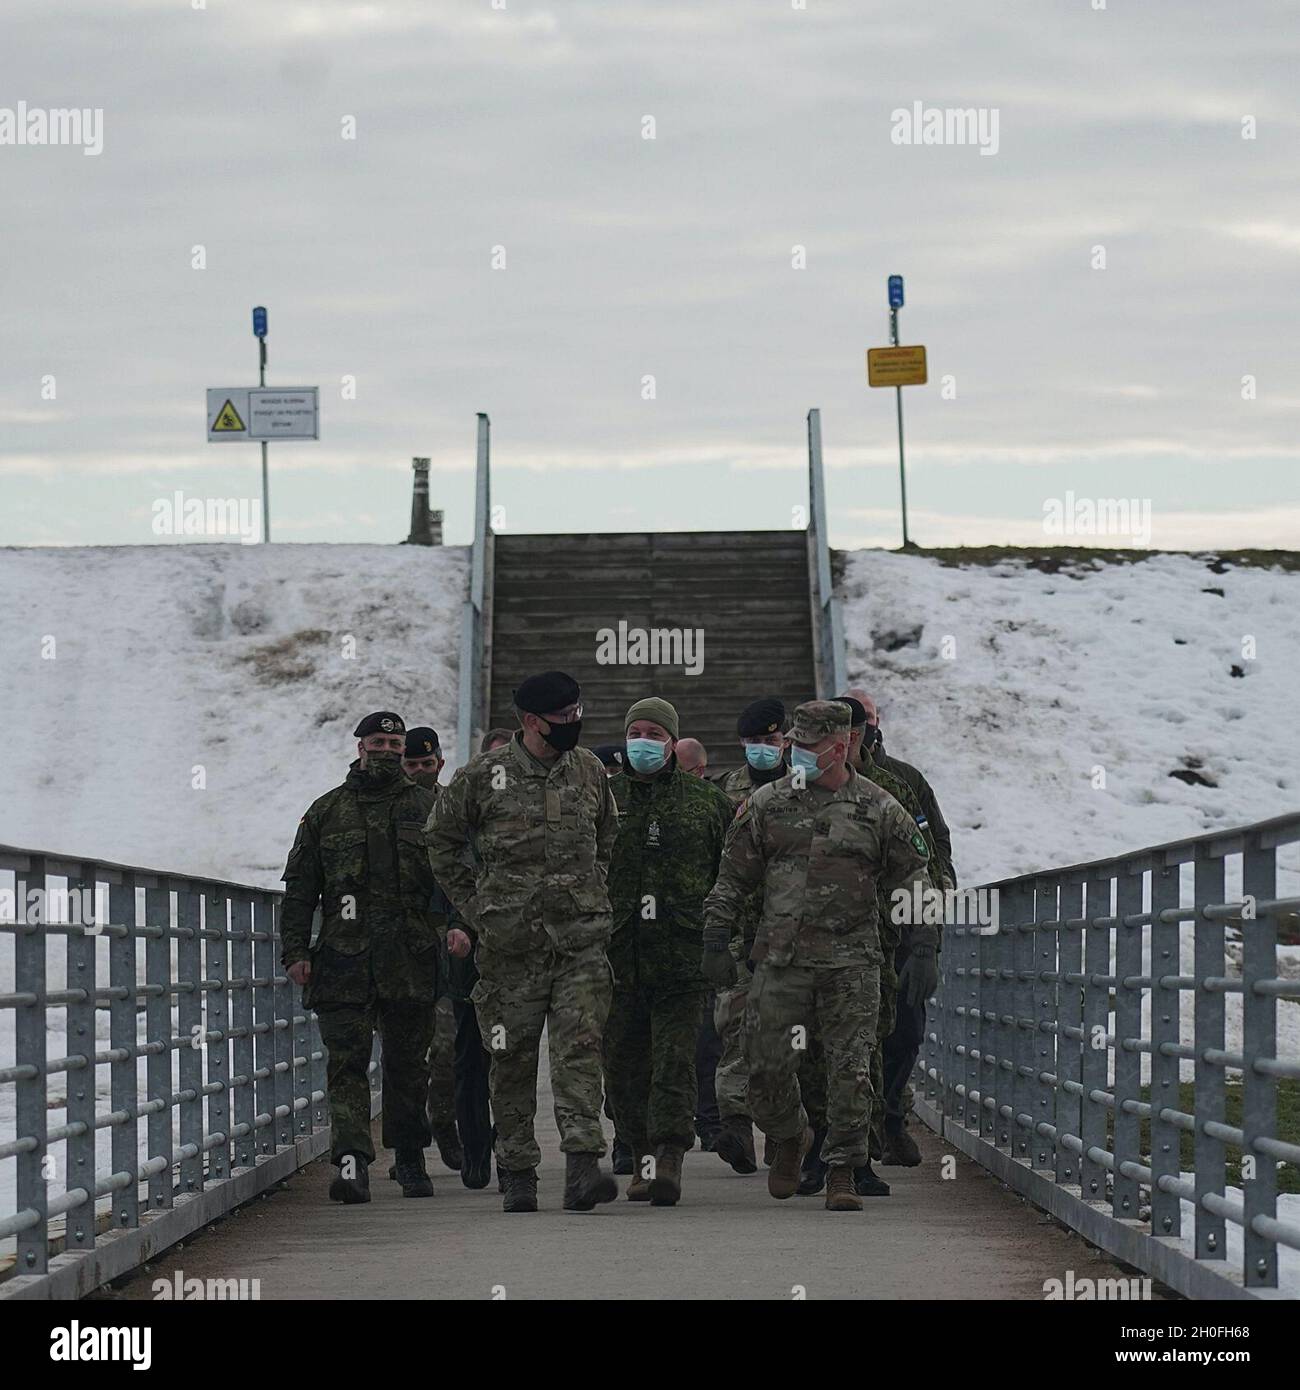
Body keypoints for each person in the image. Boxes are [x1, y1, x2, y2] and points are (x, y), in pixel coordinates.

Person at [701, 701, 932, 1211]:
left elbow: (914, 878)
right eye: (795, 746)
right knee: (763, 1065)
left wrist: (923, 945)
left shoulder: (878, 806)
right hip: (780, 961)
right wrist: (717, 933)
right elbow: (733, 877)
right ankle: (790, 1134)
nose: (799, 755)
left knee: (850, 1070)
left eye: (811, 747)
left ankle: (843, 1170)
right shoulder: (766, 804)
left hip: (852, 960)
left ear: (843, 745)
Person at [425, 671, 620, 1213]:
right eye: (565, 719)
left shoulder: (589, 772)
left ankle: (583, 1165)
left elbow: (607, 835)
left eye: (579, 715)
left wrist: (591, 885)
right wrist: (477, 905)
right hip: (511, 949)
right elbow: (439, 841)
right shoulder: (483, 776)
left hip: (580, 941)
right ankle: (517, 1169)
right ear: (532, 722)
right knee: (509, 1060)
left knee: (580, 1051)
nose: (575, 726)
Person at [280, 711, 451, 1203]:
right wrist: (294, 950)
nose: (387, 751)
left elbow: (454, 878)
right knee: (346, 1065)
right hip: (342, 960)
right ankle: (351, 1164)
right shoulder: (326, 812)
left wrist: (457, 928)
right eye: (377, 742)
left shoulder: (428, 808)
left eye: (396, 745)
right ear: (359, 748)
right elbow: (300, 890)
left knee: (407, 1065)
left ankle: (411, 1159)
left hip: (411, 957)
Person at [603, 698, 733, 1205]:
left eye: (654, 733)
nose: (643, 741)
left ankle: (671, 1156)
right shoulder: (604, 798)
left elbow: (733, 875)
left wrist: (725, 940)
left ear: (673, 743)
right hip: (617, 958)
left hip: (682, 960)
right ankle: (640, 1158)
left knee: (675, 1063)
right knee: (622, 1066)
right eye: (635, 731)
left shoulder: (706, 804)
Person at [847, 687, 954, 1167]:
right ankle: (858, 1133)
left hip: (905, 928)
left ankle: (889, 1114)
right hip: (848, 933)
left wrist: (935, 912)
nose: (860, 728)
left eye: (866, 718)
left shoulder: (904, 781)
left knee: (905, 1032)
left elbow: (934, 849)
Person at [709, 698, 789, 1174]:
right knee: (734, 1025)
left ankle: (787, 1132)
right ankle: (735, 1123)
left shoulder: (805, 788)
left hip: (793, 931)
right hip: (741, 930)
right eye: (754, 742)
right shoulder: (725, 793)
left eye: (771, 741)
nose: (762, 749)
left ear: (787, 741)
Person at [395, 725, 464, 1175]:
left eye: (426, 763)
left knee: (446, 1048)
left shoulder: (455, 806)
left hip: (446, 943)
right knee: (404, 1055)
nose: (419, 771)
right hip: (401, 946)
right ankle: (409, 1147)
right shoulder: (389, 808)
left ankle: (445, 1126)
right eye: (411, 764)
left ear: (439, 763)